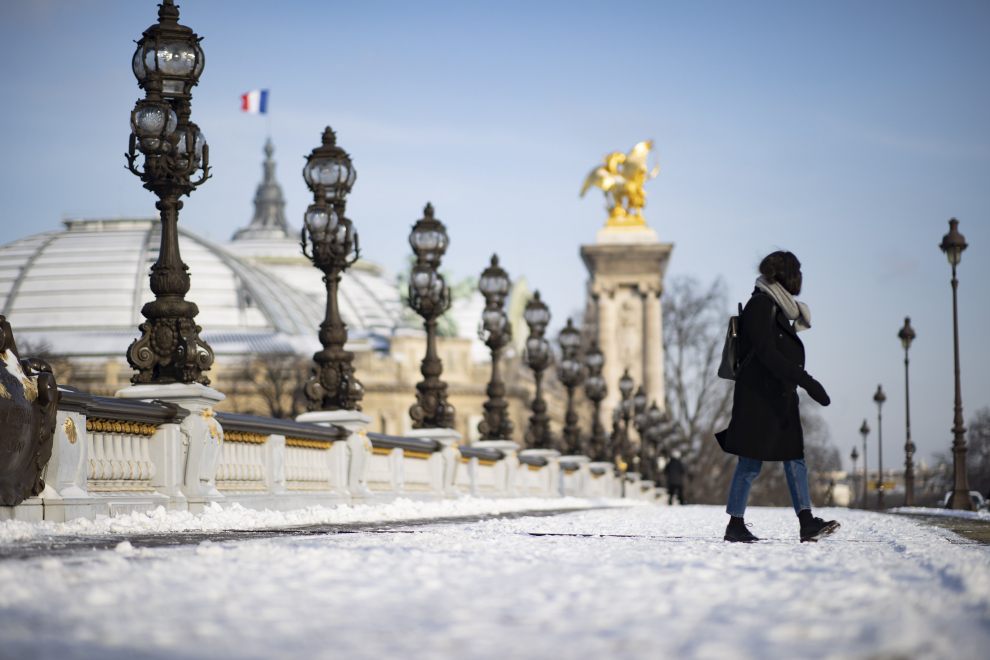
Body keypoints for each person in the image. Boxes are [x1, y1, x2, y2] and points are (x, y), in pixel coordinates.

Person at [715, 251, 840, 543]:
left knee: (794, 457)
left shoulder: (779, 307)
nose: (800, 277)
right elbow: (767, 353)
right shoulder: (761, 304)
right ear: (784, 275)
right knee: (749, 462)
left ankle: (806, 522)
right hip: (759, 397)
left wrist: (798, 383)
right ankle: (735, 524)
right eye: (797, 271)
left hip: (780, 395)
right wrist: (807, 381)